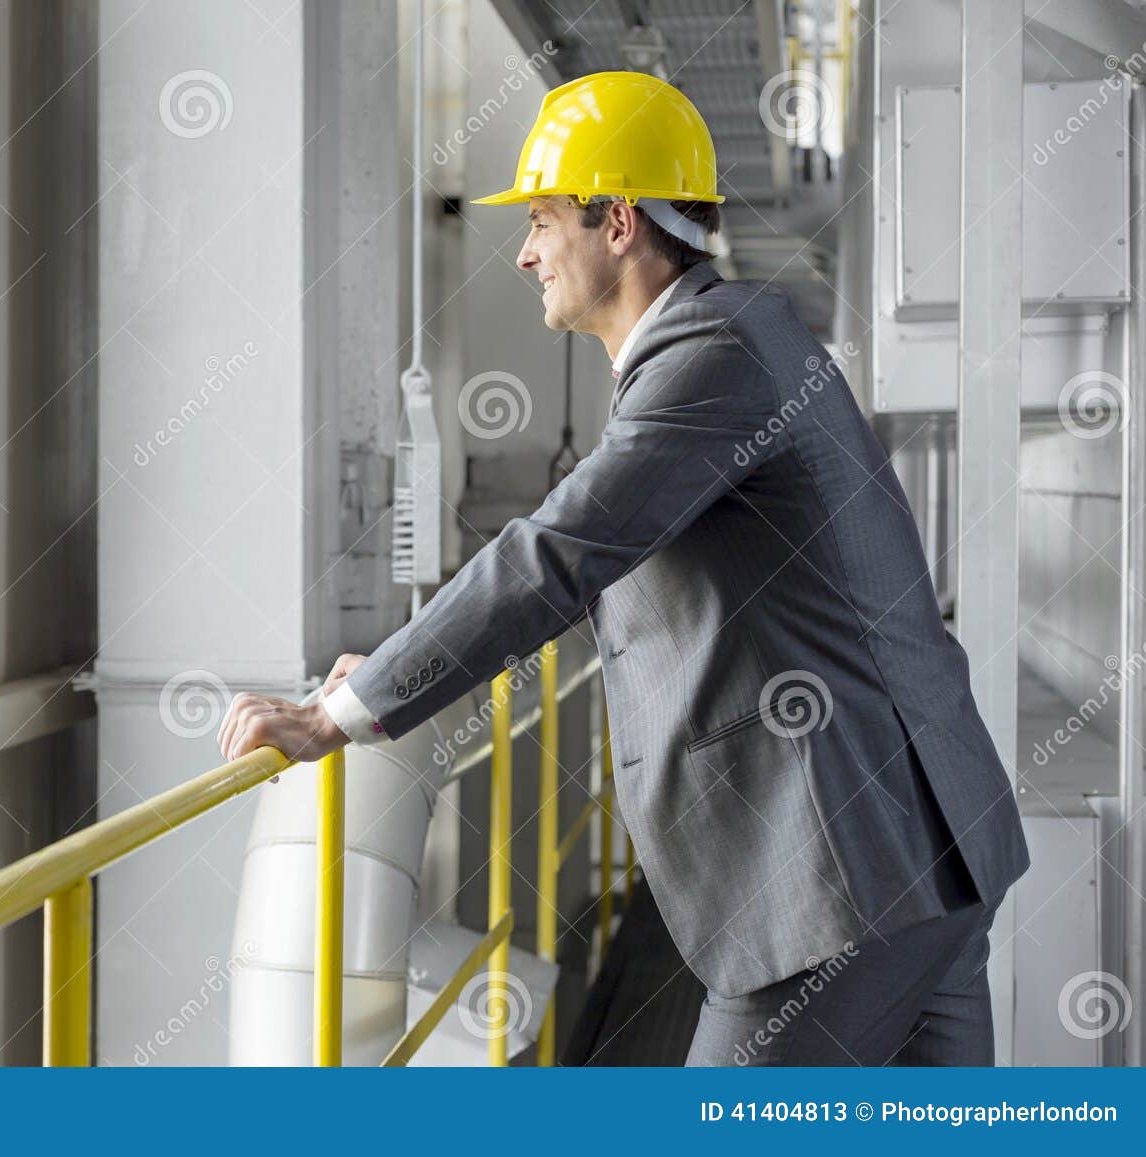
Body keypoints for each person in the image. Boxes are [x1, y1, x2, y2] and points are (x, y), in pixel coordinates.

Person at [217, 71, 1029, 1065]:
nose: (522, 252)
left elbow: (551, 556)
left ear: (616, 223)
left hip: (840, 869)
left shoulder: (714, 350)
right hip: (928, 849)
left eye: (543, 220)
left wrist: (337, 713)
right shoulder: (736, 338)